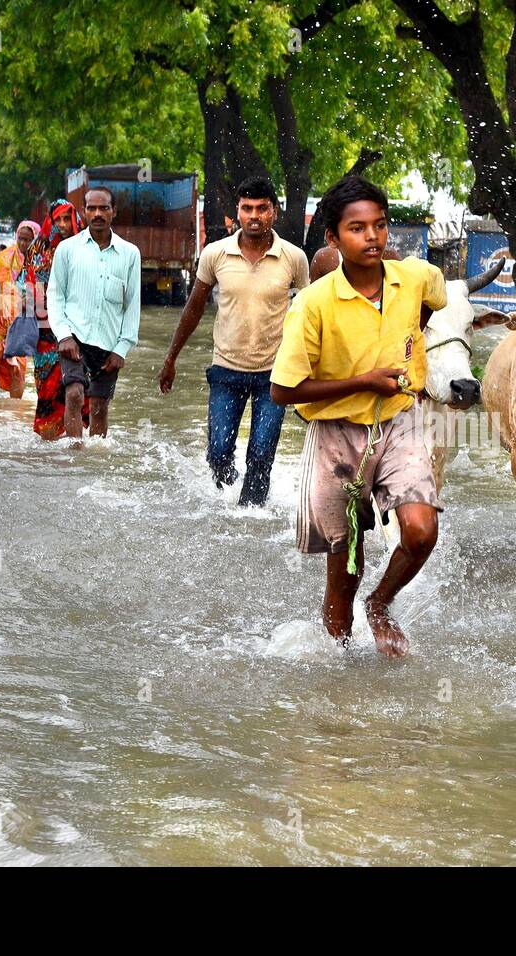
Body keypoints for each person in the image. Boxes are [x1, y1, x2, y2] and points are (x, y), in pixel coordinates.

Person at [270, 176, 448, 659]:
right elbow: (283, 389)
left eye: (380, 226)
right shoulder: (312, 303)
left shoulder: (411, 277)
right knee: (343, 566)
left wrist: (407, 343)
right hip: (336, 433)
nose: (372, 237)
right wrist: (364, 380)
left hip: (399, 419)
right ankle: (341, 682)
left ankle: (382, 604)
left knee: (420, 529)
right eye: (357, 228)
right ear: (332, 237)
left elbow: (435, 298)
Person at [159, 176, 309, 504]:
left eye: (262, 208)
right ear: (237, 213)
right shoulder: (215, 254)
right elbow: (194, 308)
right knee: (218, 453)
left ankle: (251, 519)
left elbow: (307, 315)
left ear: (275, 212)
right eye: (247, 208)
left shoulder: (294, 258)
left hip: (276, 376)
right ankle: (227, 508)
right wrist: (171, 358)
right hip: (226, 371)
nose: (254, 215)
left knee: (261, 456)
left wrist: (310, 370)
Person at [46, 186, 141, 445]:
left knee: (100, 407)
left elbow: (132, 307)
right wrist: (64, 336)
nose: (98, 213)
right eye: (92, 208)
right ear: (84, 212)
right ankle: (75, 454)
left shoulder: (130, 254)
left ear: (114, 212)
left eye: (104, 208)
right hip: (74, 339)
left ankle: (95, 464)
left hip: (109, 344)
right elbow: (54, 297)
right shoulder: (67, 250)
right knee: (74, 394)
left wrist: (121, 349)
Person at [26, 199, 87, 440]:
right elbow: (28, 283)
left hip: (80, 328)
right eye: (57, 219)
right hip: (46, 331)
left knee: (79, 387)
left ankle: (77, 444)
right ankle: (50, 440)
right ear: (50, 221)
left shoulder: (85, 247)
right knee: (48, 387)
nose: (62, 224)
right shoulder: (38, 249)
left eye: (66, 218)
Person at [0, 220, 39, 399]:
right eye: (20, 239)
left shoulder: (39, 262)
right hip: (0, 319)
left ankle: (15, 411)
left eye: (28, 240)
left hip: (22, 320)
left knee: (18, 366)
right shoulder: (5, 257)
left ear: (35, 240)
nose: (23, 243)